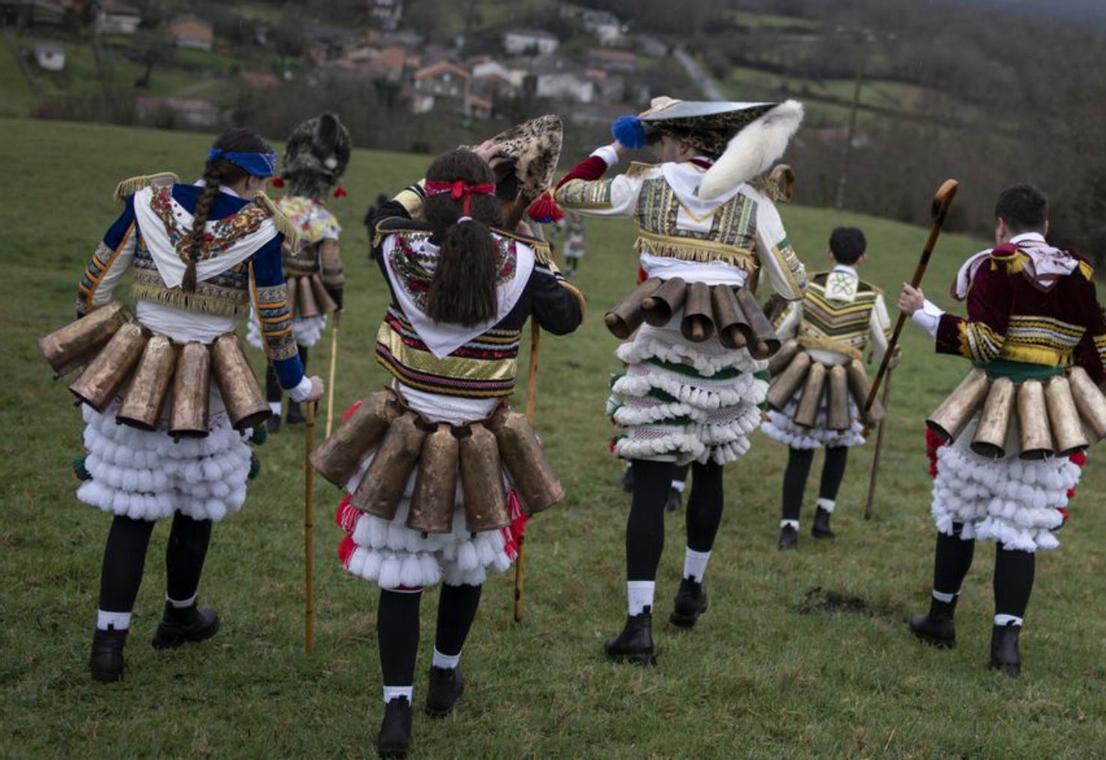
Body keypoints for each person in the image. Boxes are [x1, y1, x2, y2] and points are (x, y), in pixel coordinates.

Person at [321, 148, 583, 759]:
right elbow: (567, 316)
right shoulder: (519, 265)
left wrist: (433, 188)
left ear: (433, 199)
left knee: (402, 580)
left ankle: (396, 711)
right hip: (479, 444)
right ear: (490, 204)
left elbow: (384, 216)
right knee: (467, 564)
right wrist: (525, 239)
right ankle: (443, 676)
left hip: (402, 439)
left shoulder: (397, 251)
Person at [52, 128, 323, 683]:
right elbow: (274, 323)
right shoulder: (263, 229)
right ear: (249, 178)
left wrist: (102, 335)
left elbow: (95, 283)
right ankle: (179, 615)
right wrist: (295, 385)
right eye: (259, 181)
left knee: (132, 508)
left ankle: (109, 645)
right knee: (196, 503)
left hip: (140, 367)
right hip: (215, 376)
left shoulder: (146, 200)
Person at [546, 97, 808, 664]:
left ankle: (638, 625)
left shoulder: (649, 183)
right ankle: (691, 587)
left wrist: (616, 147)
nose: (658, 145)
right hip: (727, 349)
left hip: (662, 341)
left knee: (651, 482)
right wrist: (748, 292)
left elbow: (566, 191)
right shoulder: (754, 201)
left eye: (662, 137)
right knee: (711, 469)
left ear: (684, 142)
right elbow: (793, 284)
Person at [897, 183, 1106, 676]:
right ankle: (1006, 648)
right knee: (1020, 526)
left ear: (1001, 224)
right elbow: (1101, 350)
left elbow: (984, 343)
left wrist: (924, 313)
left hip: (992, 400)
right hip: (1053, 404)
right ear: (1046, 223)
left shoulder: (995, 264)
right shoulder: (1079, 270)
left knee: (959, 511)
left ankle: (941, 618)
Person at [763, 226, 891, 545]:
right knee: (838, 448)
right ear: (862, 257)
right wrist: (887, 356)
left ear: (829, 253)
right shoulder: (871, 297)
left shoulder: (810, 287)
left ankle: (789, 527)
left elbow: (782, 330)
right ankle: (823, 518)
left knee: (800, 452)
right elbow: (884, 347)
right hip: (847, 382)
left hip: (803, 376)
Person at [246, 113, 350, 430]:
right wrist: (337, 298)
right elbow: (331, 267)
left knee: (274, 349)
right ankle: (295, 406)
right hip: (307, 293)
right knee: (299, 348)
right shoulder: (323, 219)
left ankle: (273, 411)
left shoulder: (272, 209)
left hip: (272, 286)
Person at [558, 211, 586, 278]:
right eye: (575, 216)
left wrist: (581, 242)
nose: (576, 218)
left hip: (578, 243)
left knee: (575, 258)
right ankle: (567, 270)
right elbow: (567, 233)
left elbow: (583, 235)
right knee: (568, 257)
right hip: (570, 242)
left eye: (578, 216)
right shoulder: (570, 225)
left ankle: (573, 272)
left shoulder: (582, 226)